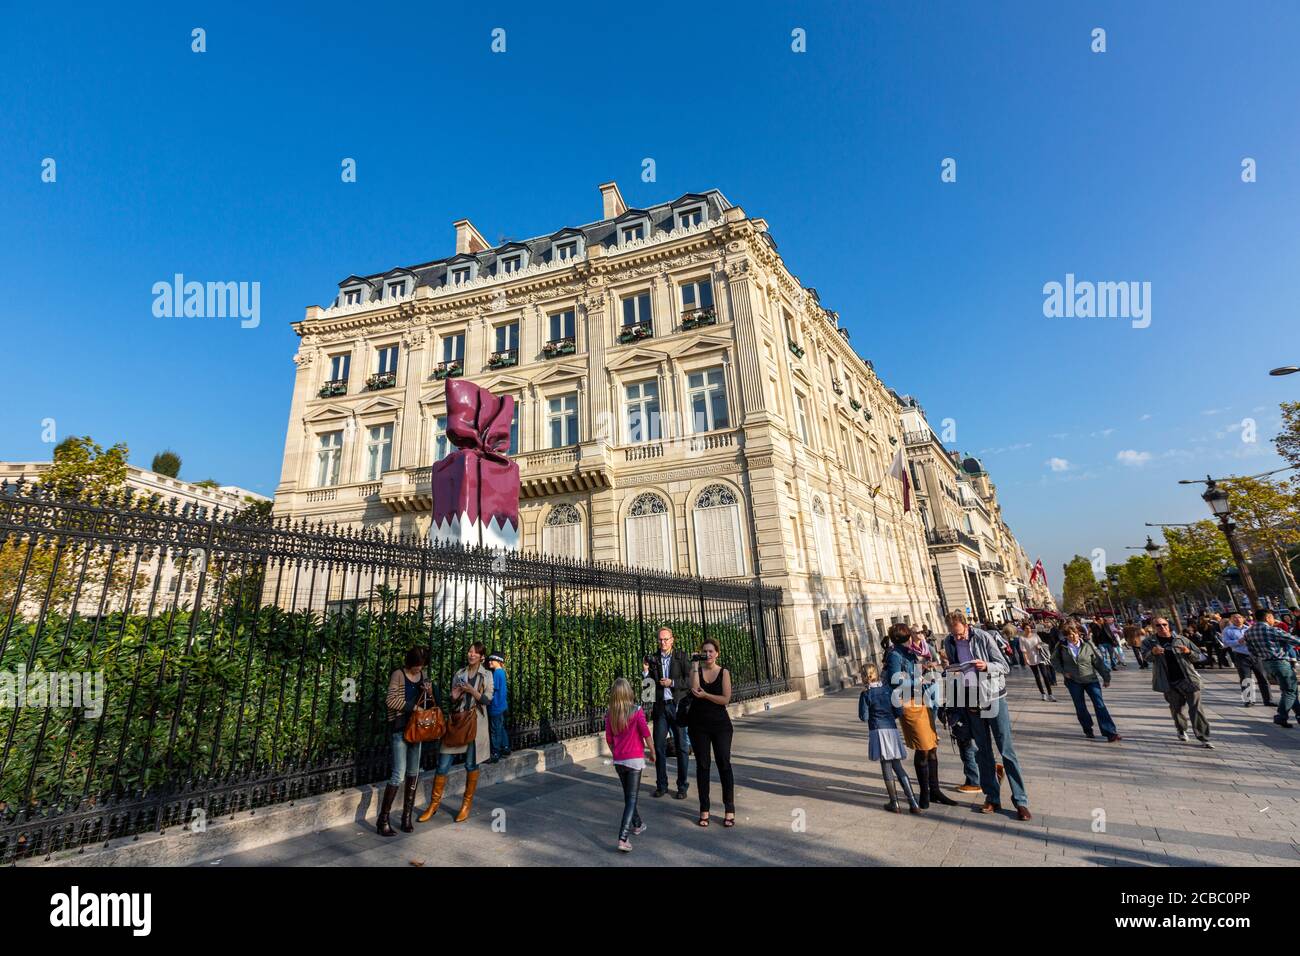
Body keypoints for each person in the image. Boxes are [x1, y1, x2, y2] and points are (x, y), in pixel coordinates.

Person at [942, 609, 1031, 820]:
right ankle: (991, 796)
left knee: (1006, 750)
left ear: (966, 625)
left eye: (960, 633)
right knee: (983, 752)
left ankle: (1020, 800)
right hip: (971, 701)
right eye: (953, 634)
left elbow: (1004, 666)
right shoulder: (949, 642)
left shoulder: (983, 637)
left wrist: (986, 666)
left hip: (993, 698)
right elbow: (955, 673)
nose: (957, 637)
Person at [884, 623, 958, 808]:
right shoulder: (894, 655)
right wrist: (917, 679)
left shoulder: (909, 653)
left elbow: (912, 673)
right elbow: (895, 681)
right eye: (910, 635)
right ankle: (925, 793)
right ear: (904, 637)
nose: (913, 638)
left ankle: (935, 790)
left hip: (921, 699)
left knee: (932, 745)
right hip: (909, 704)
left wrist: (923, 669)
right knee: (922, 747)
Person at [418, 641, 493, 823]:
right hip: (457, 722)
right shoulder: (460, 673)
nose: (471, 655)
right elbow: (451, 699)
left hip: (475, 724)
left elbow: (487, 700)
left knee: (471, 765)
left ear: (482, 657)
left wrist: (471, 690)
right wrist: (456, 694)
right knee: (443, 765)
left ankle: (466, 805)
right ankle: (434, 805)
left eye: (475, 653)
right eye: (469, 652)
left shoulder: (487, 675)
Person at [381, 647, 435, 836]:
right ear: (409, 662)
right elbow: (390, 700)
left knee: (413, 772)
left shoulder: (424, 675)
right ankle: (384, 819)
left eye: (421, 667)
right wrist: (412, 708)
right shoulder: (398, 674)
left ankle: (406, 817)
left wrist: (428, 692)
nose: (419, 670)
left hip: (417, 730)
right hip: (400, 728)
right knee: (398, 774)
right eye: (416, 666)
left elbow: (428, 703)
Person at [859, 663, 921, 814]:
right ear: (877, 674)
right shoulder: (888, 689)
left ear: (863, 676)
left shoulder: (866, 694)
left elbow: (864, 716)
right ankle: (913, 802)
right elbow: (899, 711)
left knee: (886, 766)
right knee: (897, 766)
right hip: (891, 729)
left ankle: (895, 803)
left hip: (878, 730)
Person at [687, 637, 736, 827]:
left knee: (724, 763)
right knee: (703, 766)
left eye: (711, 651)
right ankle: (704, 809)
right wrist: (693, 665)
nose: (707, 654)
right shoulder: (697, 670)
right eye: (704, 651)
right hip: (699, 725)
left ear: (717, 653)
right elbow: (694, 689)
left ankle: (729, 809)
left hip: (720, 725)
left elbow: (725, 699)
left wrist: (706, 695)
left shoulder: (723, 672)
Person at [1141, 618, 1212, 747]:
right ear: (1153, 627)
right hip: (1168, 681)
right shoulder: (1149, 642)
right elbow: (1145, 657)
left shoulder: (1181, 639)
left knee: (1196, 708)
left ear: (1169, 625)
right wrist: (1152, 652)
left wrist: (1188, 651)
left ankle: (1203, 737)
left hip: (1188, 679)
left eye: (1164, 624)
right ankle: (1181, 730)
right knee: (1176, 708)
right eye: (1158, 625)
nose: (1162, 627)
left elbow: (1200, 656)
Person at [604, 677, 654, 852]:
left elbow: (609, 739)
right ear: (629, 692)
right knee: (631, 798)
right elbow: (646, 734)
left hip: (619, 760)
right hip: (634, 759)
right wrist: (653, 753)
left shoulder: (610, 714)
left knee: (628, 795)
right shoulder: (637, 711)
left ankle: (638, 824)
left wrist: (616, 753)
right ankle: (623, 837)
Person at [1051, 620, 1121, 742]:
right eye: (1069, 634)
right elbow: (1054, 660)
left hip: (1091, 679)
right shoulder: (1061, 646)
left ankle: (1110, 732)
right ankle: (1087, 728)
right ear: (1066, 635)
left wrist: (1106, 677)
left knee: (1100, 705)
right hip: (1073, 681)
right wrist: (1063, 671)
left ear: (1079, 633)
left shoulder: (1087, 645)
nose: (1072, 636)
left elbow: (1098, 662)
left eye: (1074, 633)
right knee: (1080, 707)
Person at [648, 626, 691, 799]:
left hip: (677, 706)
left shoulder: (681, 657)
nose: (663, 642)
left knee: (681, 746)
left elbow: (690, 681)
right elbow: (647, 691)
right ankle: (661, 785)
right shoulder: (653, 659)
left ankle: (682, 786)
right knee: (659, 747)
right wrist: (645, 672)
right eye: (660, 639)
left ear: (672, 640)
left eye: (666, 639)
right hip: (660, 707)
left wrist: (672, 682)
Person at [1243, 609, 1300, 728]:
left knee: (1290, 691)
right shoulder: (1272, 630)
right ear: (1268, 617)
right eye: (1272, 617)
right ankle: (1281, 716)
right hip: (1280, 662)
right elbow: (1295, 641)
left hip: (1266, 664)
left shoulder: (1249, 632)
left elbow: (1251, 651)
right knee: (1289, 691)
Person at [1221, 612, 1272, 708]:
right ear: (1231, 620)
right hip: (1241, 656)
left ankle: (1268, 699)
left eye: (1239, 617)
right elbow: (1226, 643)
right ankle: (1249, 700)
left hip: (1255, 655)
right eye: (1234, 618)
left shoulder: (1249, 628)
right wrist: (1238, 641)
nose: (1237, 619)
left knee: (1263, 677)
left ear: (1243, 618)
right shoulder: (1227, 630)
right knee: (1246, 679)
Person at [485, 651, 511, 762]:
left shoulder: (496, 673)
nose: (489, 662)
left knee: (495, 730)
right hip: (502, 706)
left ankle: (495, 753)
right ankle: (505, 747)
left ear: (499, 662)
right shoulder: (502, 672)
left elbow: (493, 689)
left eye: (492, 660)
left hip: (496, 707)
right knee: (501, 728)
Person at [1020, 623, 1056, 701]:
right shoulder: (1022, 638)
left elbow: (1041, 643)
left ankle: (1050, 694)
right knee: (1037, 677)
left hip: (1040, 657)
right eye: (1026, 628)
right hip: (1031, 659)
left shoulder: (1035, 635)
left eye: (1029, 628)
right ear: (1024, 629)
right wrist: (1026, 660)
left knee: (1045, 675)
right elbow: (1023, 650)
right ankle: (1043, 694)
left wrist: (1039, 646)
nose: (1028, 629)